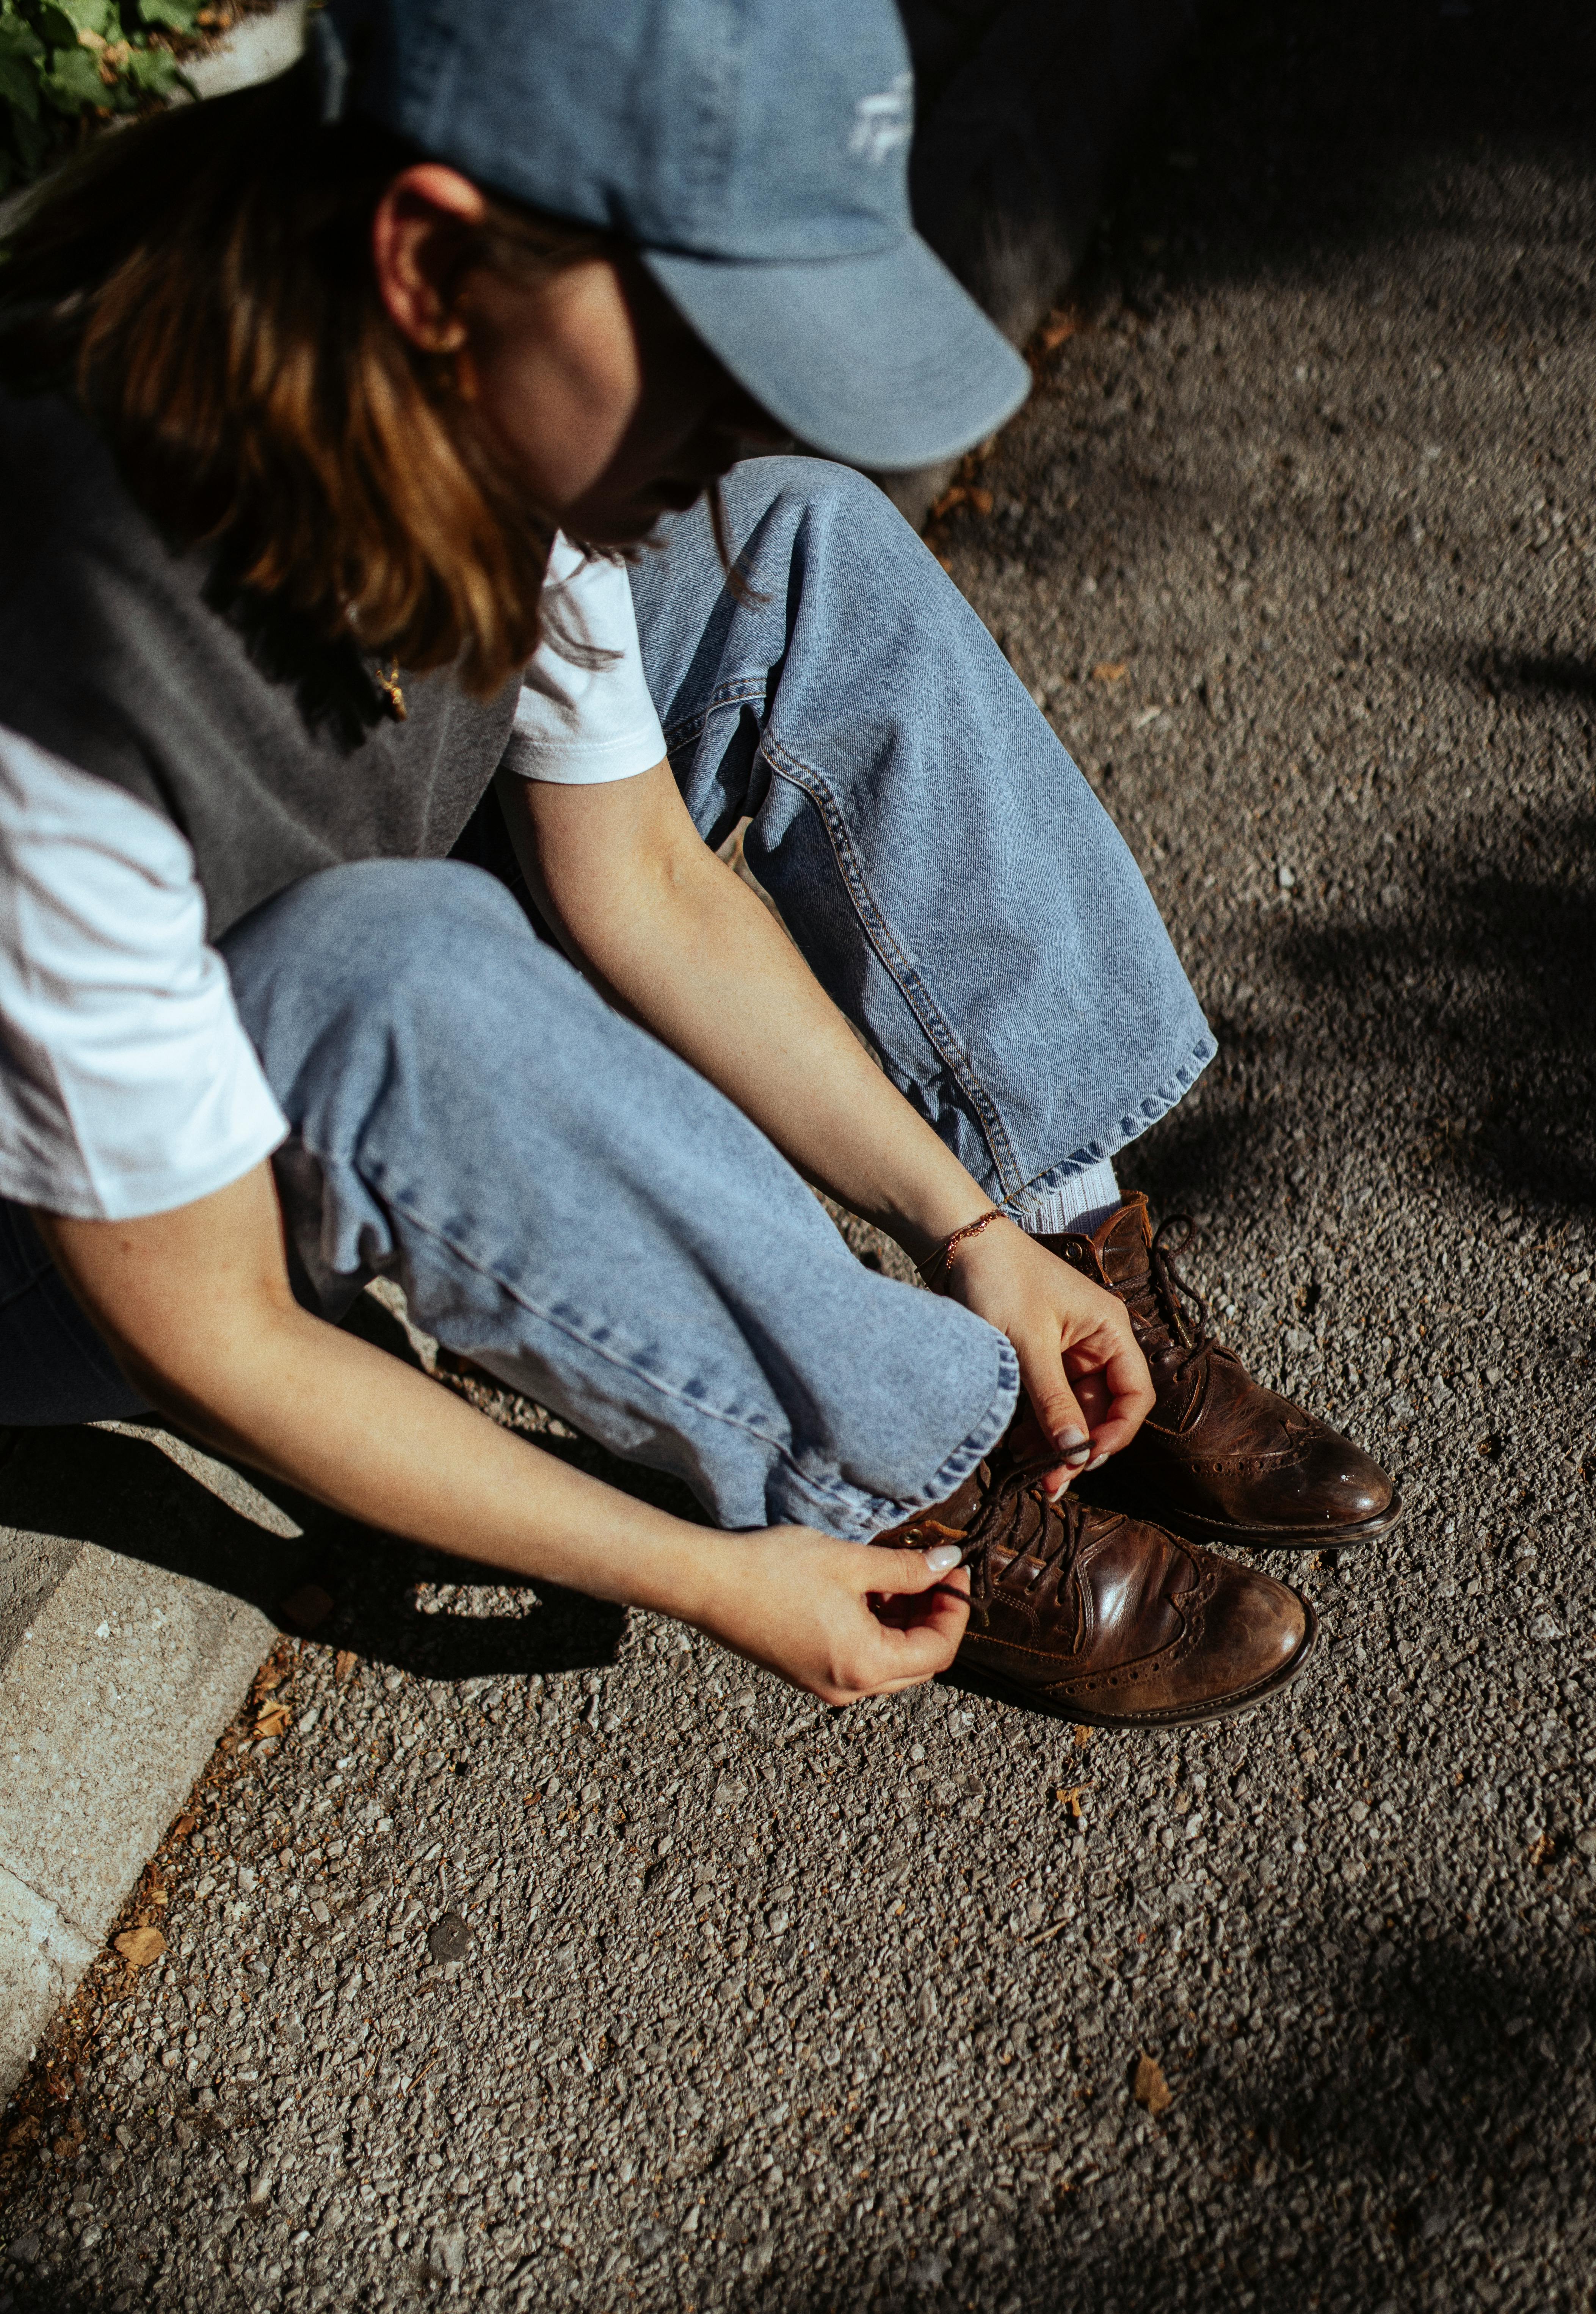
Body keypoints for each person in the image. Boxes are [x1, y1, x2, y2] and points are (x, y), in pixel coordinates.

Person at [0, 0, 1397, 1730]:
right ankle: (914, 1482)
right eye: (715, 342)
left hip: (280, 948)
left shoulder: (458, 410)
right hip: (72, 1240)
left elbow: (637, 881)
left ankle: (1073, 1262)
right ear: (431, 264)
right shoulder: (56, 672)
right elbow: (207, 1334)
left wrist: (966, 1228)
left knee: (800, 539)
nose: (755, 410)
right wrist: (712, 1574)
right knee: (392, 967)